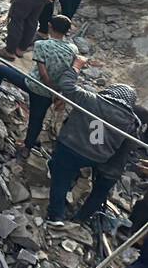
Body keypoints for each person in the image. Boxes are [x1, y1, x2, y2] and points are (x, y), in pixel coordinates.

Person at [0, 15, 80, 155]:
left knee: (0, 70)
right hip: (50, 93)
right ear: (67, 31)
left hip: (34, 84)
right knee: (37, 118)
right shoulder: (73, 49)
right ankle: (27, 148)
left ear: (49, 26)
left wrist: (49, 86)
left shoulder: (42, 45)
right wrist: (56, 91)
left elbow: (43, 74)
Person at [47, 84, 141, 224]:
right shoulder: (131, 122)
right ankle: (79, 220)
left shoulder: (91, 99)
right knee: (98, 193)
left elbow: (69, 88)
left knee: (61, 179)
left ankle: (56, 215)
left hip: (71, 146)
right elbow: (128, 147)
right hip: (100, 158)